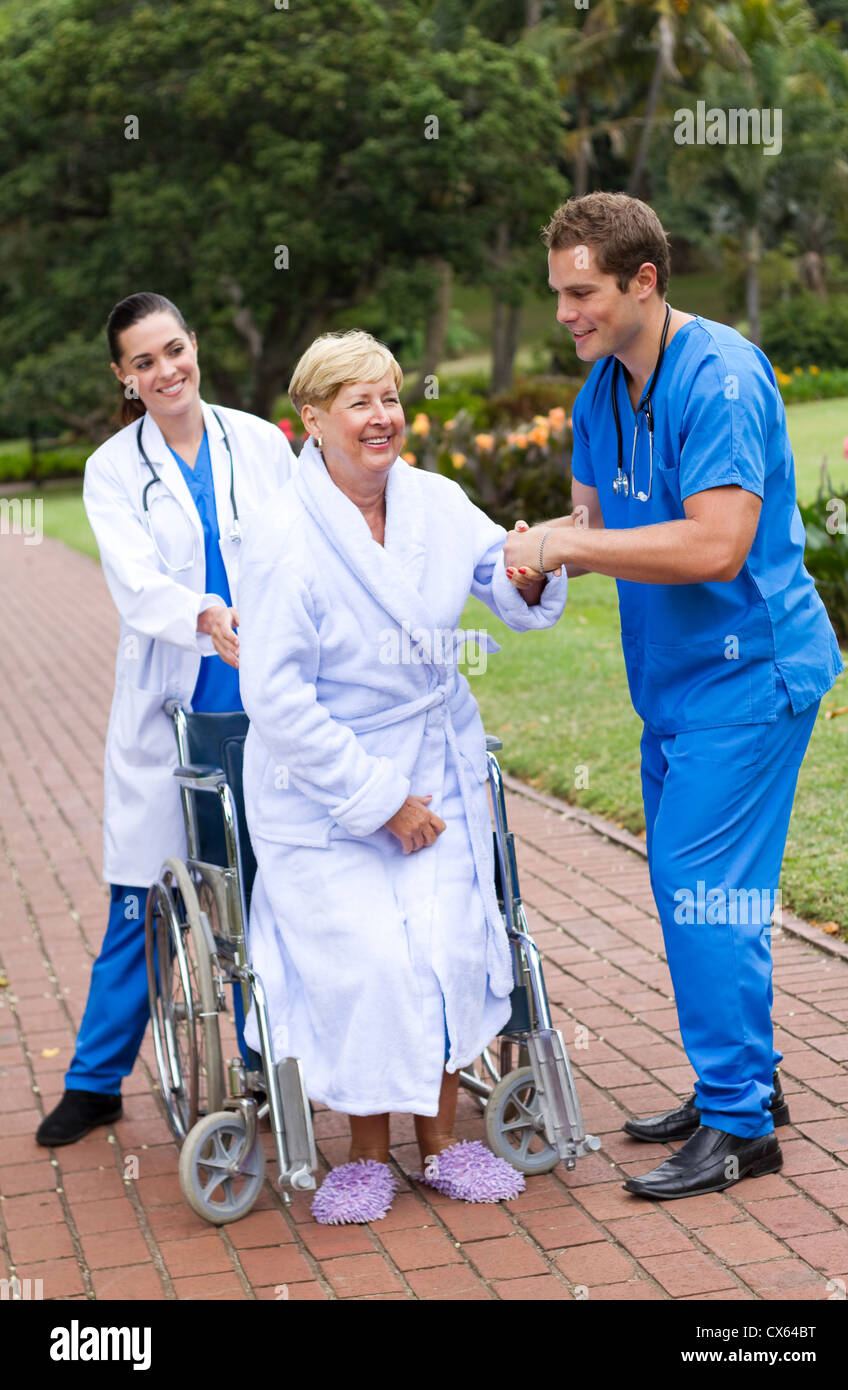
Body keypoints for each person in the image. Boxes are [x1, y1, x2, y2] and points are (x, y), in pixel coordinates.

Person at [504, 192, 843, 1200]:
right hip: (671, 689)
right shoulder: (601, 392)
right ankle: (743, 1082)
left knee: (703, 894)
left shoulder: (722, 377)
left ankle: (740, 1128)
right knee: (696, 892)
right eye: (556, 292)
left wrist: (568, 544)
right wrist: (538, 562)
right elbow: (590, 522)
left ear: (641, 282)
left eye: (581, 292)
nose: (564, 311)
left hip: (751, 678)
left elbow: (713, 543)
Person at [237, 330, 567, 1223]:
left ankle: (444, 1144)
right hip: (323, 786)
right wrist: (381, 803)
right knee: (372, 958)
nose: (384, 417)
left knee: (448, 941)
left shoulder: (433, 500)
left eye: (390, 397)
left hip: (434, 757)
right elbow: (276, 700)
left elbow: (501, 579)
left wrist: (531, 566)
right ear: (311, 418)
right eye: (360, 402)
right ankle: (366, 1155)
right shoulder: (278, 535)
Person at [36, 292, 294, 1146]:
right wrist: (204, 614)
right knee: (141, 901)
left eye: (173, 350)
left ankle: (264, 1060)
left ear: (195, 346)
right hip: (171, 707)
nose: (165, 371)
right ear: (124, 376)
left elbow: (304, 546)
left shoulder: (259, 441)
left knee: (264, 886)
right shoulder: (113, 468)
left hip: (264, 704)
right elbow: (137, 582)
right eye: (143, 362)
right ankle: (96, 1081)